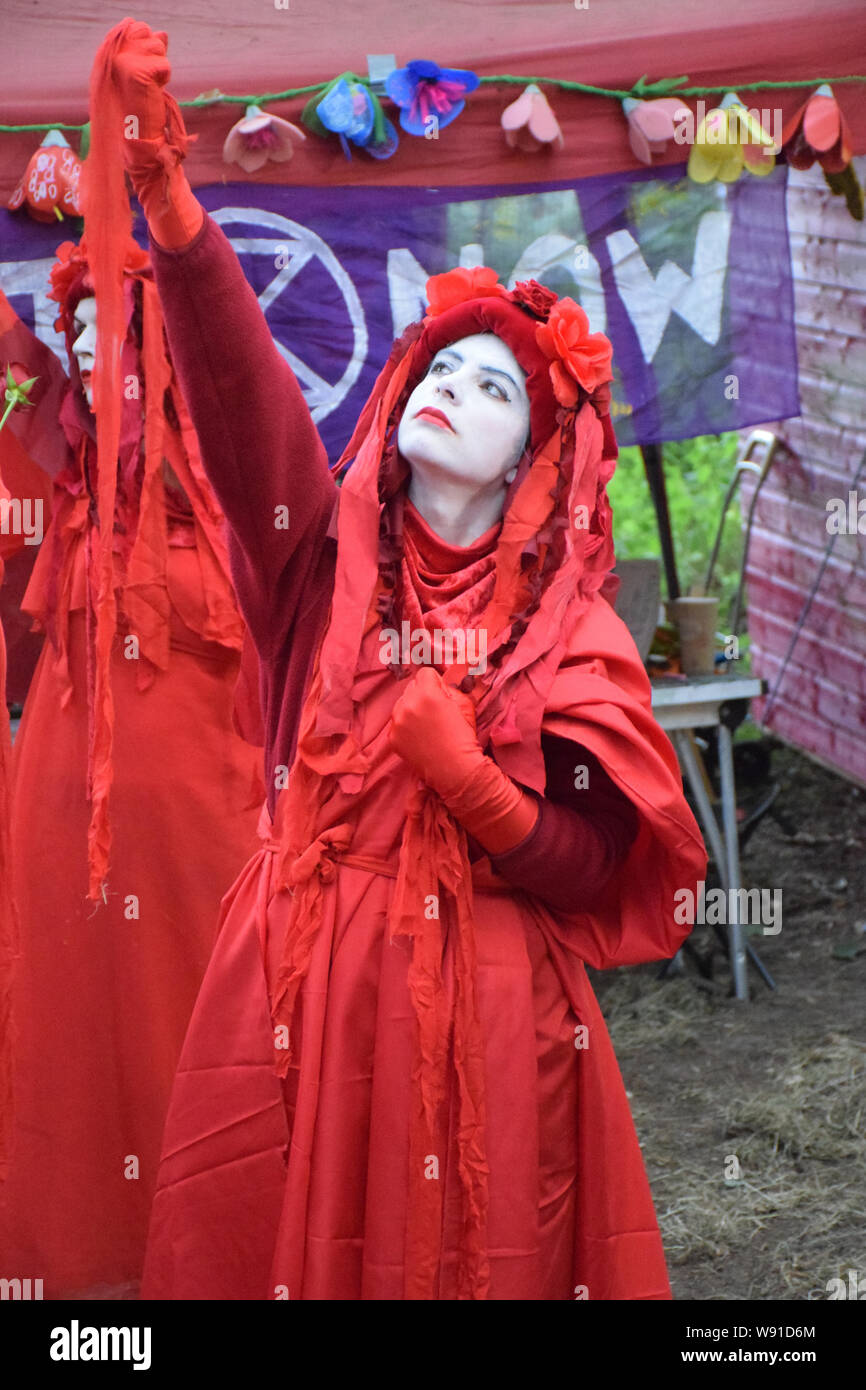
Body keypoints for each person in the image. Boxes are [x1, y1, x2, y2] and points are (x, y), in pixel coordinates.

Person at [105, 20, 706, 1300]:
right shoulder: (314, 565)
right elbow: (243, 398)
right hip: (300, 993)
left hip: (489, 1011)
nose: (453, 390)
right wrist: (176, 217)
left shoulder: (572, 639)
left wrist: (477, 792)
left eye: (496, 391)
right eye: (442, 367)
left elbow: (599, 861)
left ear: (536, 465)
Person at [0, 227, 265, 1296]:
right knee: (71, 1012)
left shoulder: (238, 471)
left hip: (205, 788)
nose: (87, 344)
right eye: (73, 324)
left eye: (107, 323)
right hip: (65, 785)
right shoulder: (48, 467)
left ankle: (222, 1251)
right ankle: (85, 1266)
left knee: (206, 1003)